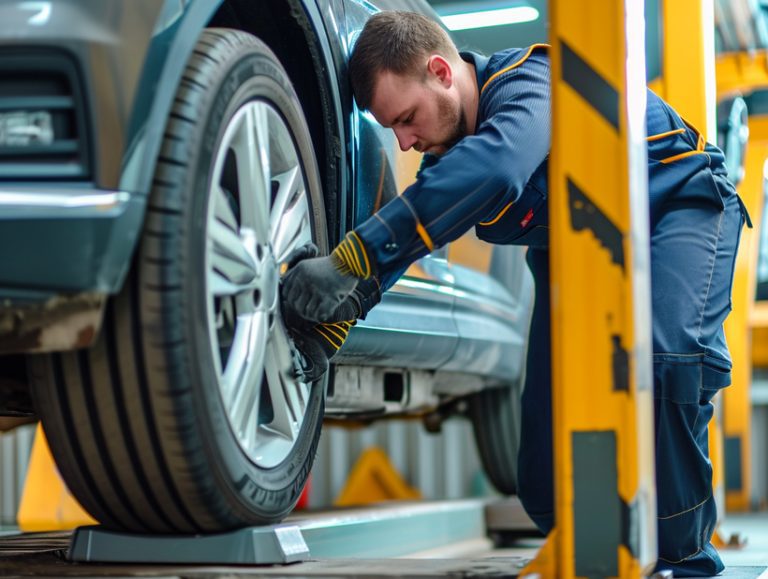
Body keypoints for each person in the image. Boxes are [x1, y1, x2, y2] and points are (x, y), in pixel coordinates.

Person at [281, 10, 749, 576]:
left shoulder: (531, 83)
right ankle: (598, 550)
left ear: (441, 71)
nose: (404, 143)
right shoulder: (453, 155)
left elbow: (498, 168)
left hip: (680, 202)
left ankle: (686, 559)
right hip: (582, 247)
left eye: (406, 119)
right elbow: (410, 243)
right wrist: (341, 315)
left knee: (671, 357)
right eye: (394, 130)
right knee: (548, 479)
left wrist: (351, 254)